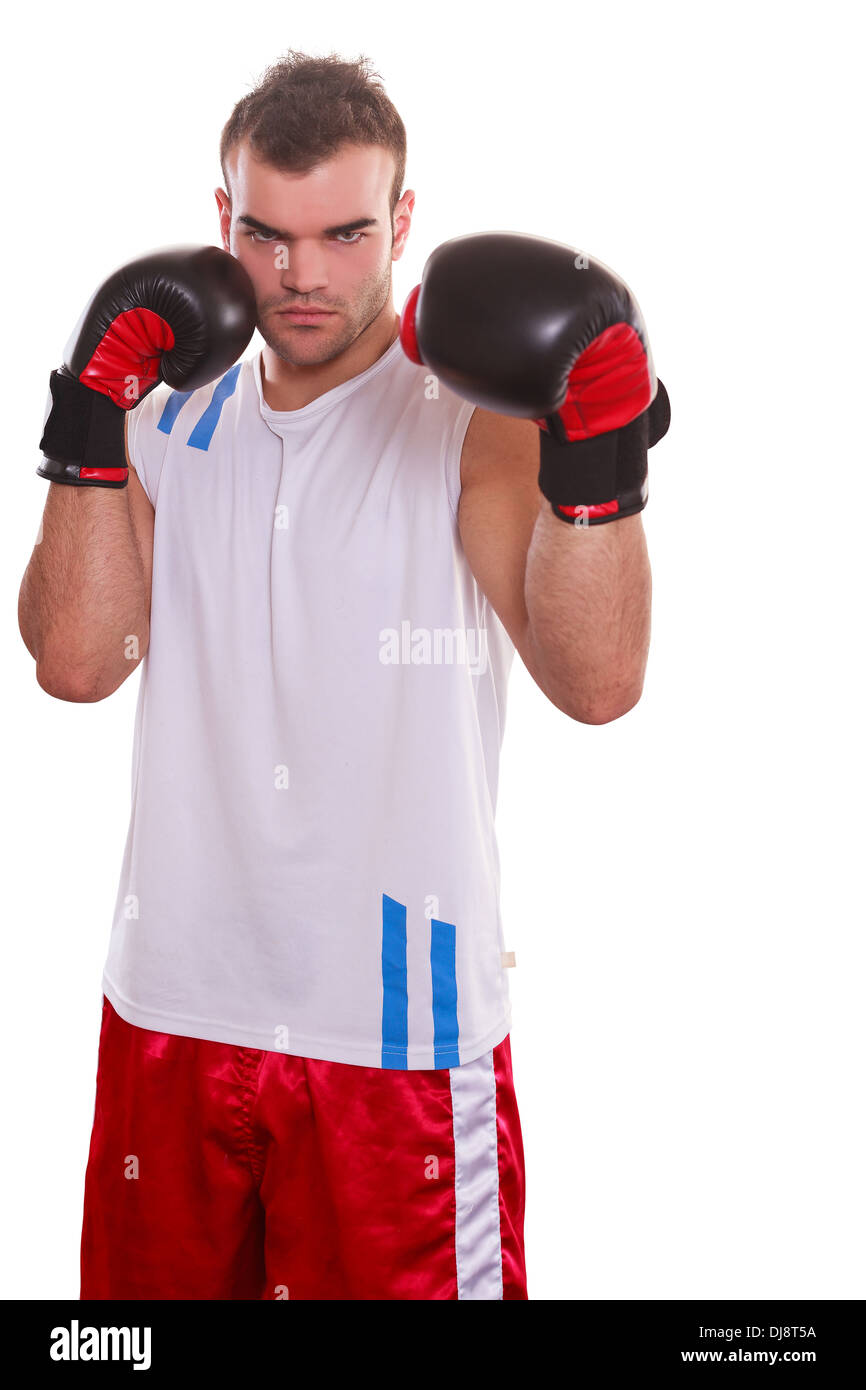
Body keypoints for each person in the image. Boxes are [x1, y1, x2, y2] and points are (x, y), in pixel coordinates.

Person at [18, 50, 668, 1301]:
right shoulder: (163, 409)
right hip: (170, 1009)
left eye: (344, 234)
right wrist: (88, 421)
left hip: (394, 1042)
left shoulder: (465, 423)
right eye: (266, 235)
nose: (303, 274)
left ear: (402, 221)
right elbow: (76, 663)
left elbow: (597, 684)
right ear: (221, 218)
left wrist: (595, 456)